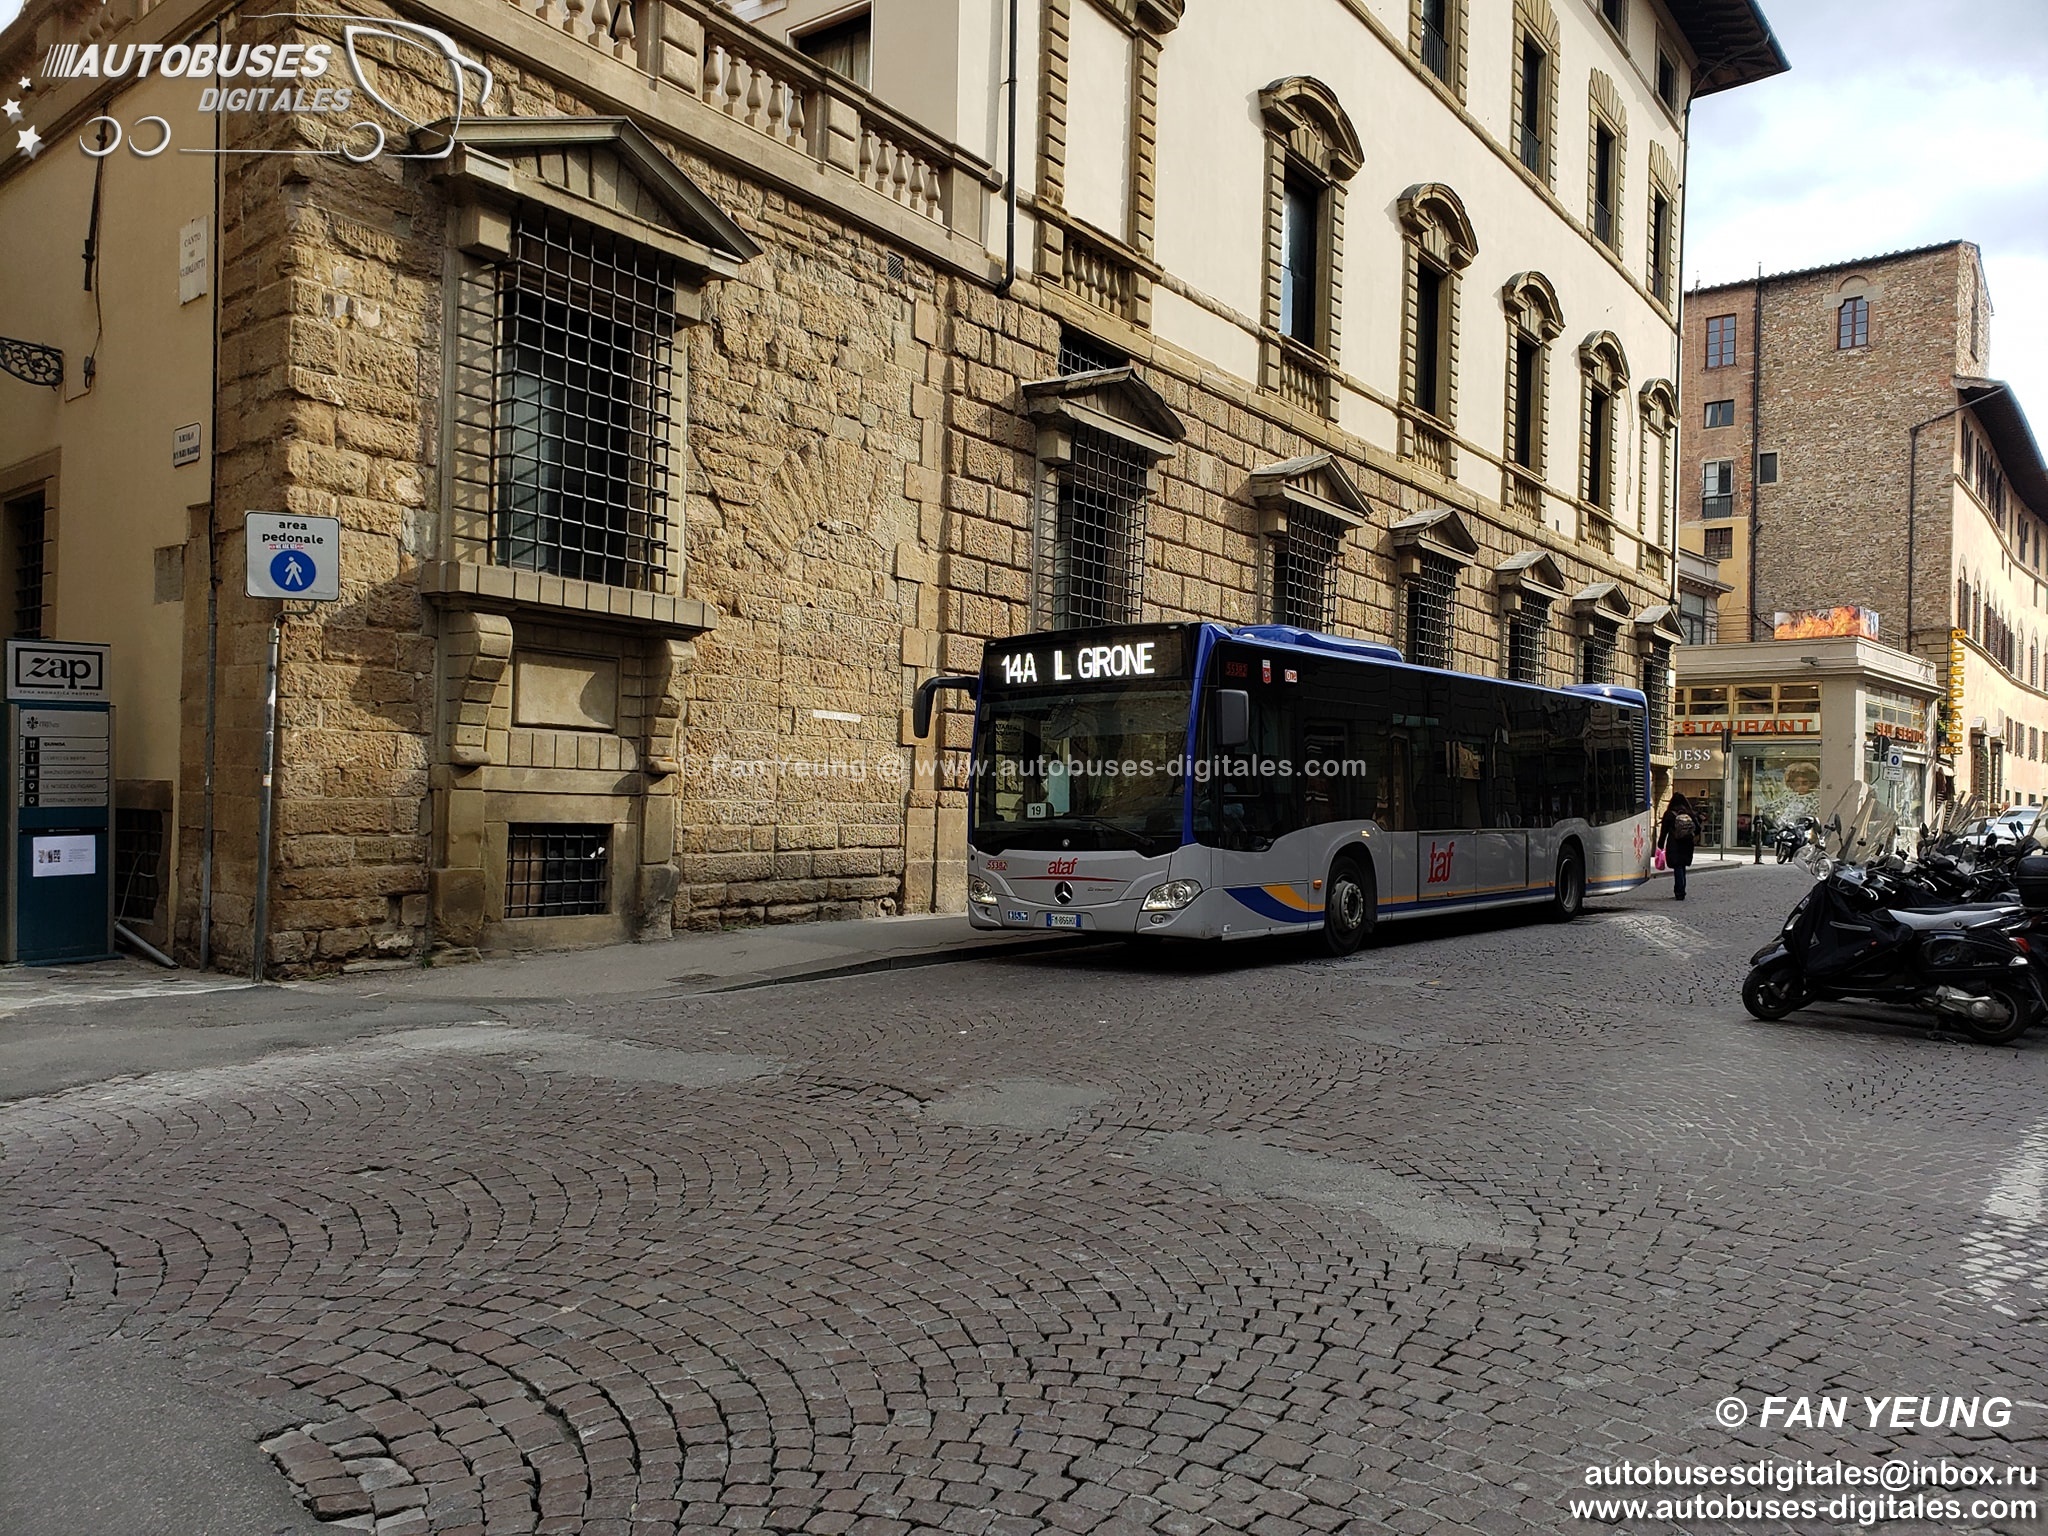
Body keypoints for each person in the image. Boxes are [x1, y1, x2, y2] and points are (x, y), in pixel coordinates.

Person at [1659, 792, 1699, 900]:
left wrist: (1660, 845)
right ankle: (1682, 889)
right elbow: (1698, 828)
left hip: (1674, 843)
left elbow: (1664, 831)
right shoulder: (1689, 813)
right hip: (1687, 843)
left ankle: (1679, 892)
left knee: (1677, 867)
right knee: (1682, 866)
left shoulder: (1669, 814)